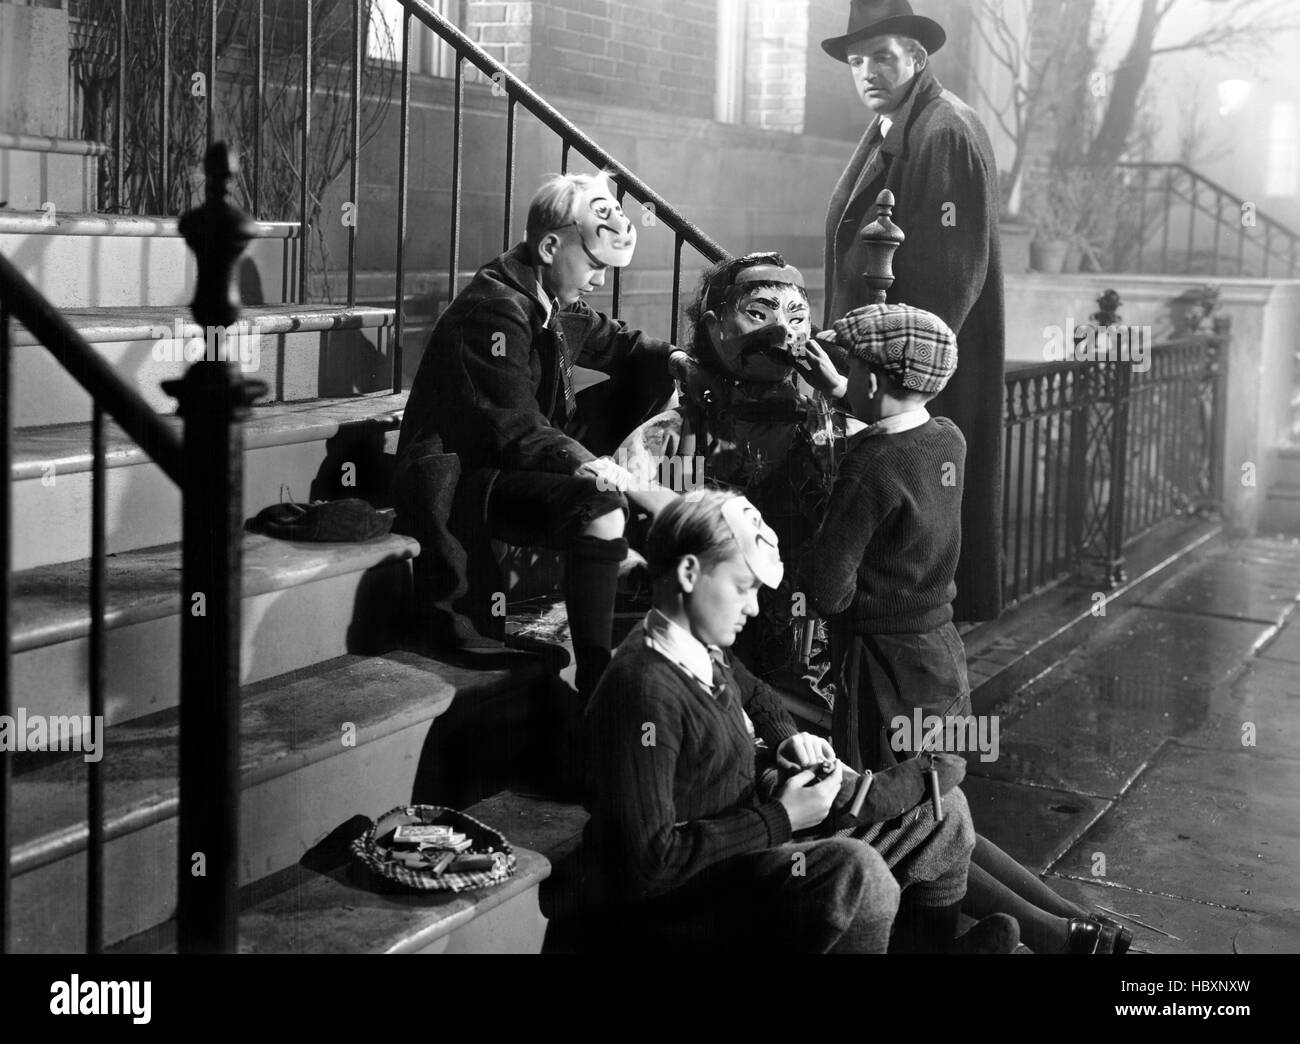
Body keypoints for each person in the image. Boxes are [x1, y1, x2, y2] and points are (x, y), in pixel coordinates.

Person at [798, 302, 1130, 954]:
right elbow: (896, 432)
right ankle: (1080, 932)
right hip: (940, 658)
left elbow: (828, 591)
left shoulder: (867, 470)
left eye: (851, 366)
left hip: (885, 669)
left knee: (912, 818)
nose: (841, 372)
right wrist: (844, 392)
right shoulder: (946, 436)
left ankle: (1056, 938)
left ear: (876, 379)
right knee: (943, 809)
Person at [582, 489, 1019, 953]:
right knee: (858, 876)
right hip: (692, 900)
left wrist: (791, 744)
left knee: (945, 813)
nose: (752, 608)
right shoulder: (645, 690)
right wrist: (781, 817)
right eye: (743, 587)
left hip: (743, 849)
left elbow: (756, 694)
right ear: (690, 573)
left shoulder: (697, 645)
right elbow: (648, 867)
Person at [393, 171, 709, 700]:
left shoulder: (545, 296)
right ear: (548, 246)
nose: (599, 280)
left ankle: (613, 561)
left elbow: (623, 344)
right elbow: (516, 428)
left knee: (648, 379)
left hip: (510, 460)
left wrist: (679, 360)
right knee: (601, 506)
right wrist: (622, 482)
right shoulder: (494, 309)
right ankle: (595, 676)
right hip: (465, 479)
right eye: (593, 265)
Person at [821, 0, 1005, 623]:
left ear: (918, 59)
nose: (867, 71)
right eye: (856, 60)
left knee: (917, 523)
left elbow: (950, 283)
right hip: (889, 370)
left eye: (882, 56)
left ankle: (909, 640)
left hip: (918, 374)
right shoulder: (898, 121)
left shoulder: (943, 129)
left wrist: (897, 385)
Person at [615, 252, 856, 704]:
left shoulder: (823, 423)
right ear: (713, 327)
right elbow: (627, 489)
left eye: (797, 316)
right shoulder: (685, 427)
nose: (783, 332)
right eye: (758, 314)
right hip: (707, 618)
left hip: (802, 633)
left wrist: (838, 391)